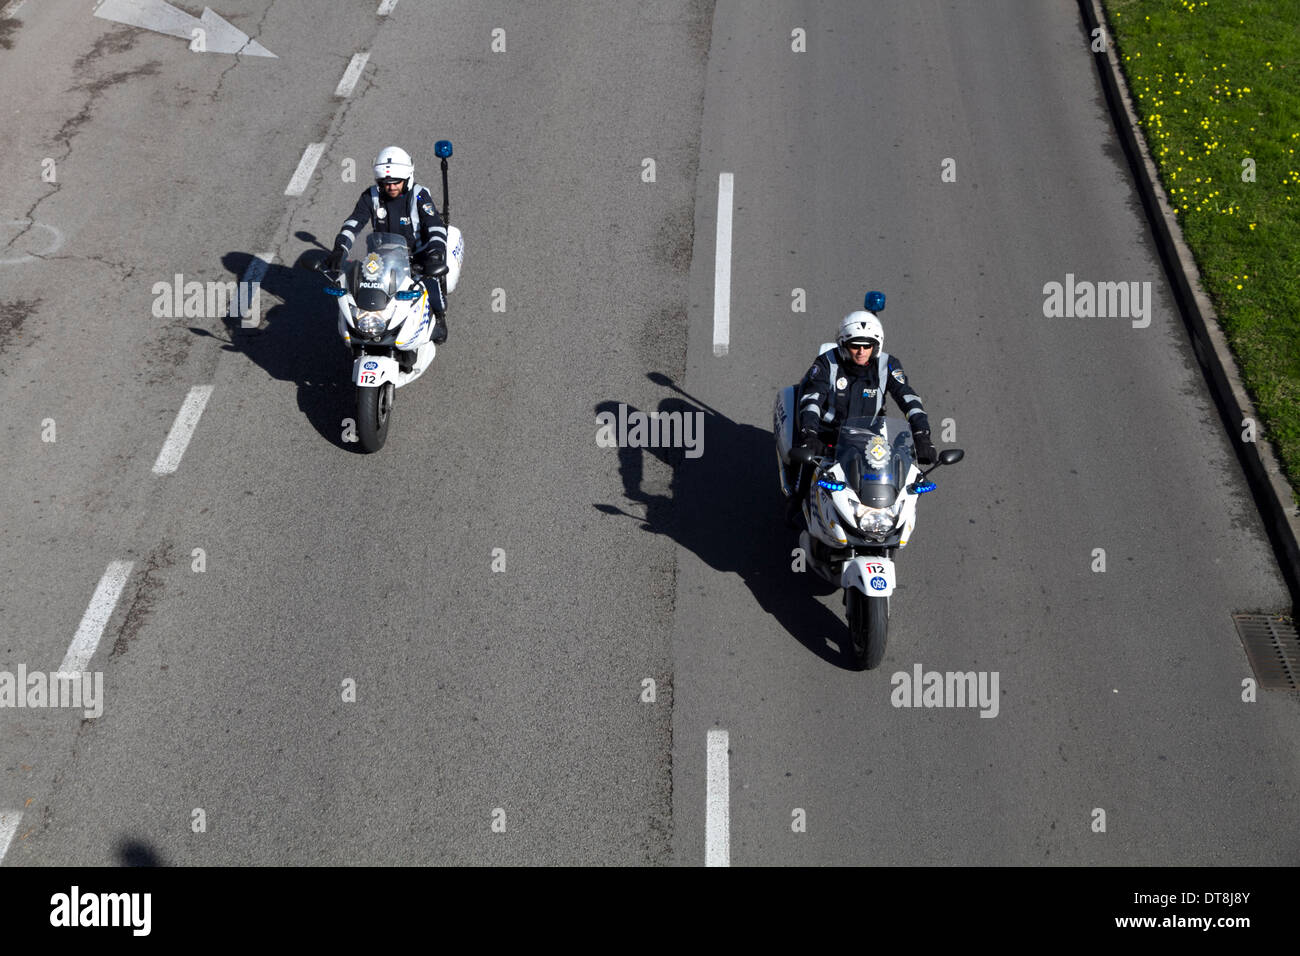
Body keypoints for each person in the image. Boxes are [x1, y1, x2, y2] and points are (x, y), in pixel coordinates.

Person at [788, 304, 936, 522]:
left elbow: (909, 399)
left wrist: (923, 436)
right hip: (827, 434)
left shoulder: (887, 365)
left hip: (868, 435)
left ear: (876, 346)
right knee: (807, 465)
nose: (861, 351)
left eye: (867, 346)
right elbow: (812, 400)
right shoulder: (826, 363)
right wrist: (809, 433)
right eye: (855, 345)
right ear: (843, 344)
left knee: (892, 473)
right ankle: (797, 502)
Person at [325, 146, 450, 344]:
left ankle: (439, 316)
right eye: (385, 183)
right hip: (380, 257)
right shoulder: (371, 196)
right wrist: (340, 248)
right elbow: (354, 223)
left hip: (416, 257)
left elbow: (435, 226)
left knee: (430, 286)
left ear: (407, 178)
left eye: (396, 182)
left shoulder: (419, 196)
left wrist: (435, 253)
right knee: (358, 292)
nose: (391, 187)